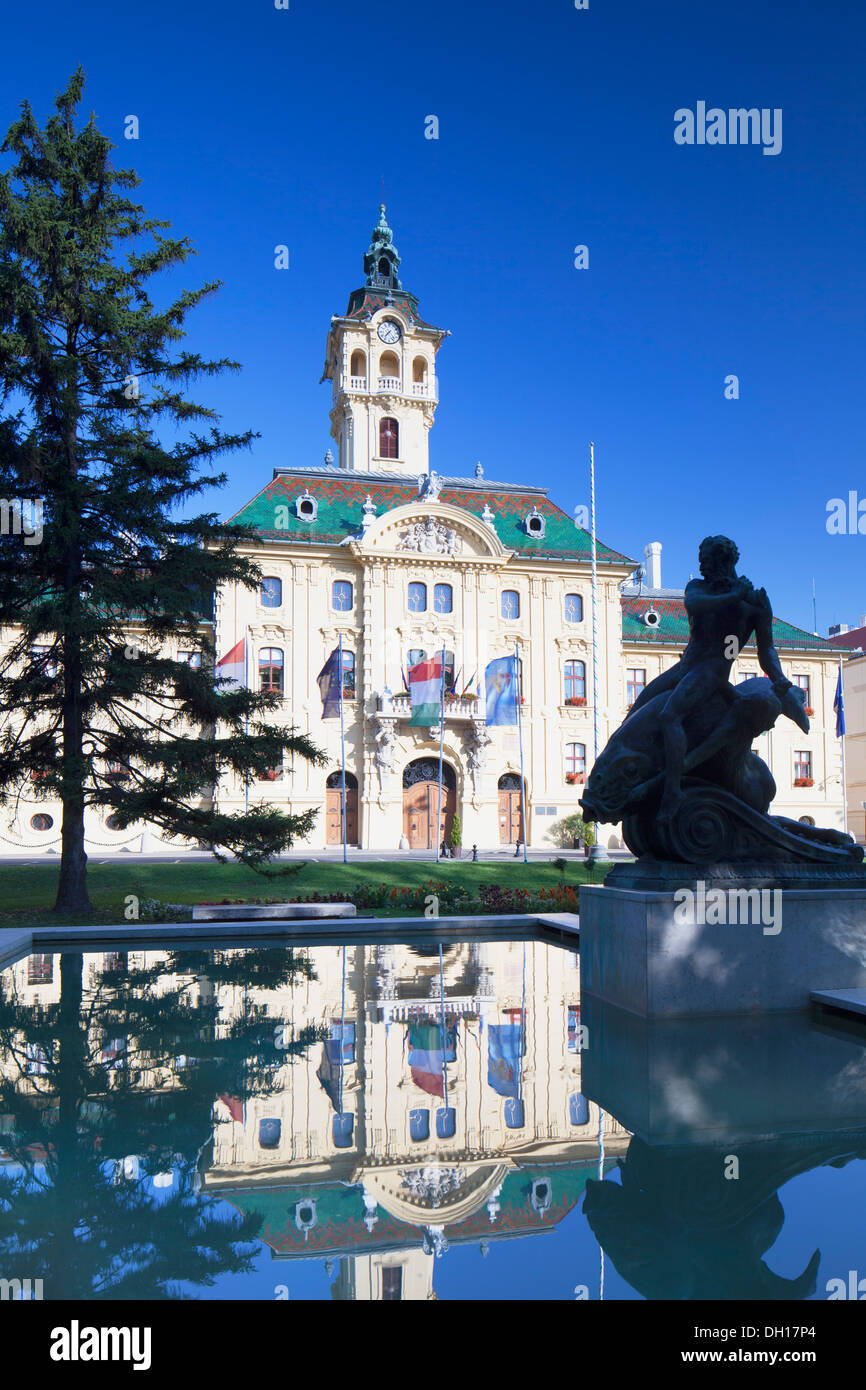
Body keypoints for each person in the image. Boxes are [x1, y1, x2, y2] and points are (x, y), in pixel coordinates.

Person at [626, 536, 803, 824]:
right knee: (634, 714)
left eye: (707, 560)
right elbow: (696, 605)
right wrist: (734, 596)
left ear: (724, 562)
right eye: (702, 561)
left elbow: (766, 649)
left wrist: (779, 677)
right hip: (685, 666)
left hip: (712, 669)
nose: (702, 565)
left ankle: (671, 791)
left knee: (669, 715)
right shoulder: (699, 588)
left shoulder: (755, 603)